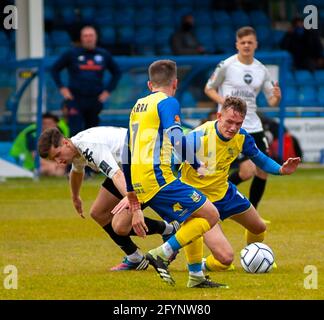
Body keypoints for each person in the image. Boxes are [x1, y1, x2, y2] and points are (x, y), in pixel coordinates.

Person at [119, 59, 228, 288]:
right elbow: (176, 138)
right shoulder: (168, 102)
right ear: (175, 83)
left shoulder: (137, 106)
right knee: (211, 215)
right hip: (159, 177)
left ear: (150, 84)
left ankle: (196, 276)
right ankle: (161, 252)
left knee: (191, 219)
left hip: (140, 179)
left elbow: (125, 150)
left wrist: (131, 192)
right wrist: (196, 163)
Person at [180, 97, 301, 271]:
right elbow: (171, 164)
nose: (233, 128)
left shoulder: (242, 137)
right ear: (219, 115)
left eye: (238, 123)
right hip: (199, 200)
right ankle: (203, 265)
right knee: (225, 260)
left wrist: (281, 170)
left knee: (259, 227)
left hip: (224, 192)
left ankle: (253, 257)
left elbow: (261, 160)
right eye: (230, 122)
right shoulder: (198, 137)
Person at [37, 126, 179, 271]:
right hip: (126, 170)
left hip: (142, 168)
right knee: (98, 213)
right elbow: (77, 171)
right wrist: (75, 197)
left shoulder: (89, 147)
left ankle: (169, 230)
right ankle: (135, 258)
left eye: (58, 155)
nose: (58, 161)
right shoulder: (75, 148)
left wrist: (133, 204)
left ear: (65, 143)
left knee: (120, 226)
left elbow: (116, 176)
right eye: (53, 159)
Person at [204, 26, 282, 214]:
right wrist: (226, 104)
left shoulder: (261, 69)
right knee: (247, 171)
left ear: (256, 44)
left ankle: (252, 214)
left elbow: (271, 101)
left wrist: (277, 97)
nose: (246, 45)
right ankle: (215, 199)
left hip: (254, 126)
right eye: (243, 42)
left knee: (262, 170)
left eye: (250, 42)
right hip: (231, 126)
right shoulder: (226, 65)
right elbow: (209, 88)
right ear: (237, 44)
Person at [51, 25, 121, 137]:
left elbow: (117, 72)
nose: (88, 38)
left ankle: (89, 155)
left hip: (95, 99)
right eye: (85, 36)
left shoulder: (103, 54)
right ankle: (74, 154)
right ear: (81, 38)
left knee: (92, 132)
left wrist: (107, 91)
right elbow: (55, 69)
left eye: (91, 35)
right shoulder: (72, 54)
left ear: (96, 37)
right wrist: (62, 88)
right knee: (75, 131)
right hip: (75, 99)